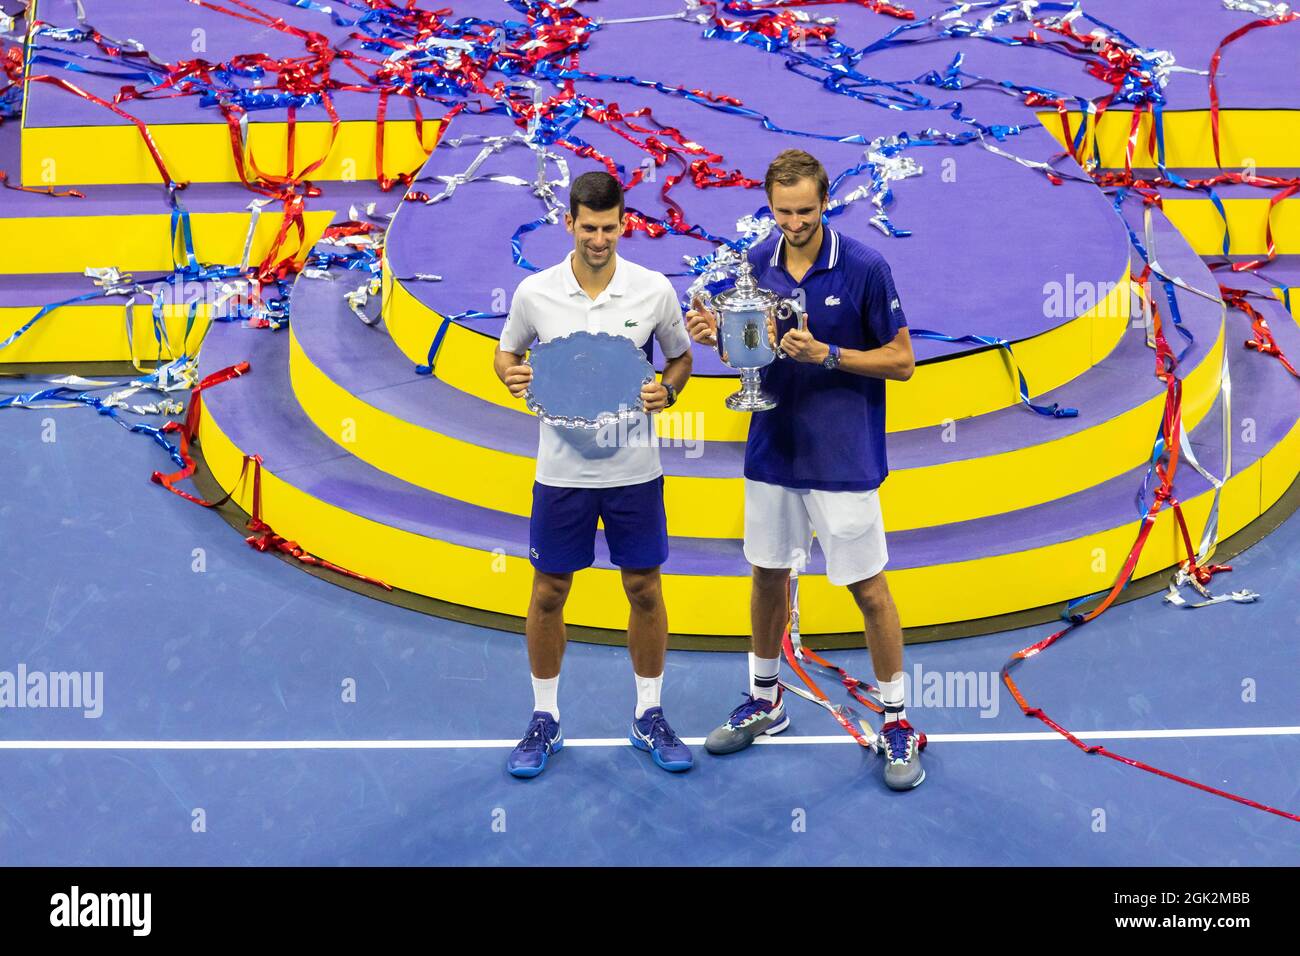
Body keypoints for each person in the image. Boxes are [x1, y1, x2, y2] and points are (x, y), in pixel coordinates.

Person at [685, 149, 925, 790]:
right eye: (781, 211)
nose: (792, 223)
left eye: (805, 211)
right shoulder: (756, 262)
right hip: (773, 448)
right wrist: (717, 337)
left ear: (826, 203)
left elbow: (902, 361)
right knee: (766, 575)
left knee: (869, 589)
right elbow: (751, 350)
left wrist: (829, 354)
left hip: (842, 456)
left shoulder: (868, 268)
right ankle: (766, 699)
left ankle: (898, 722)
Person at [494, 170, 695, 778]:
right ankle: (545, 718)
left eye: (609, 228)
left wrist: (671, 390)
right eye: (589, 228)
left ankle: (649, 713)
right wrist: (509, 373)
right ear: (570, 223)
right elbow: (506, 352)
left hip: (636, 470)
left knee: (645, 590)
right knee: (549, 593)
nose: (600, 238)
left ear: (623, 223)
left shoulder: (654, 290)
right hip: (561, 474)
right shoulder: (535, 293)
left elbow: (682, 357)